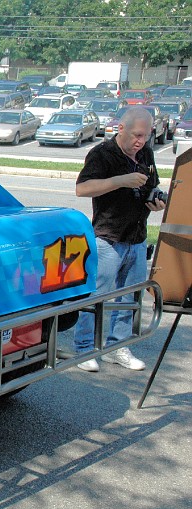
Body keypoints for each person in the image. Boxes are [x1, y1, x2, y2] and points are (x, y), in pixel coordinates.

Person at [74, 106, 166, 372]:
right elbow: (82, 188)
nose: (141, 141)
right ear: (121, 129)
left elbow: (152, 185)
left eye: (146, 136)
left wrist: (156, 200)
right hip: (108, 238)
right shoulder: (102, 153)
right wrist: (121, 180)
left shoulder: (146, 153)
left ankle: (118, 347)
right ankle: (84, 349)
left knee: (130, 297)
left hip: (137, 237)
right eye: (137, 135)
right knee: (96, 296)